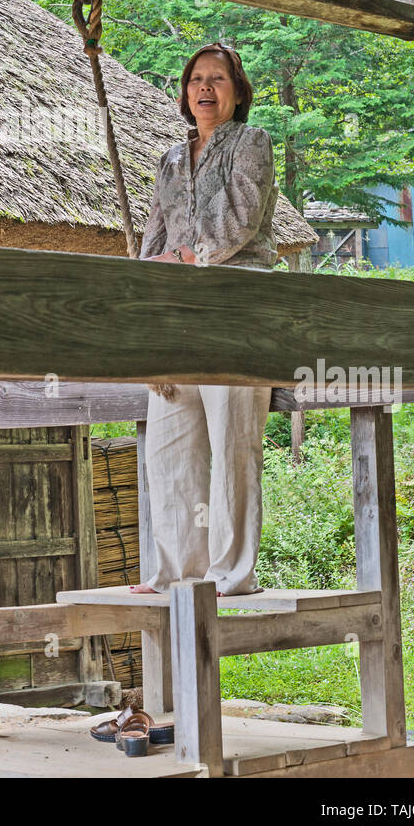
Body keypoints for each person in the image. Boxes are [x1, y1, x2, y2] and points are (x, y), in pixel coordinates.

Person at [130, 43, 279, 598]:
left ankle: (231, 572)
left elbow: (241, 216)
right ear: (184, 91)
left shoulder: (252, 142)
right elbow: (155, 236)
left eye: (217, 79)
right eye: (196, 79)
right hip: (176, 311)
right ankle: (177, 570)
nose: (205, 88)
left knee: (233, 440)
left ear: (237, 91)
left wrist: (188, 258)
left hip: (236, 306)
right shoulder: (171, 158)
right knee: (169, 440)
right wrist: (146, 303)